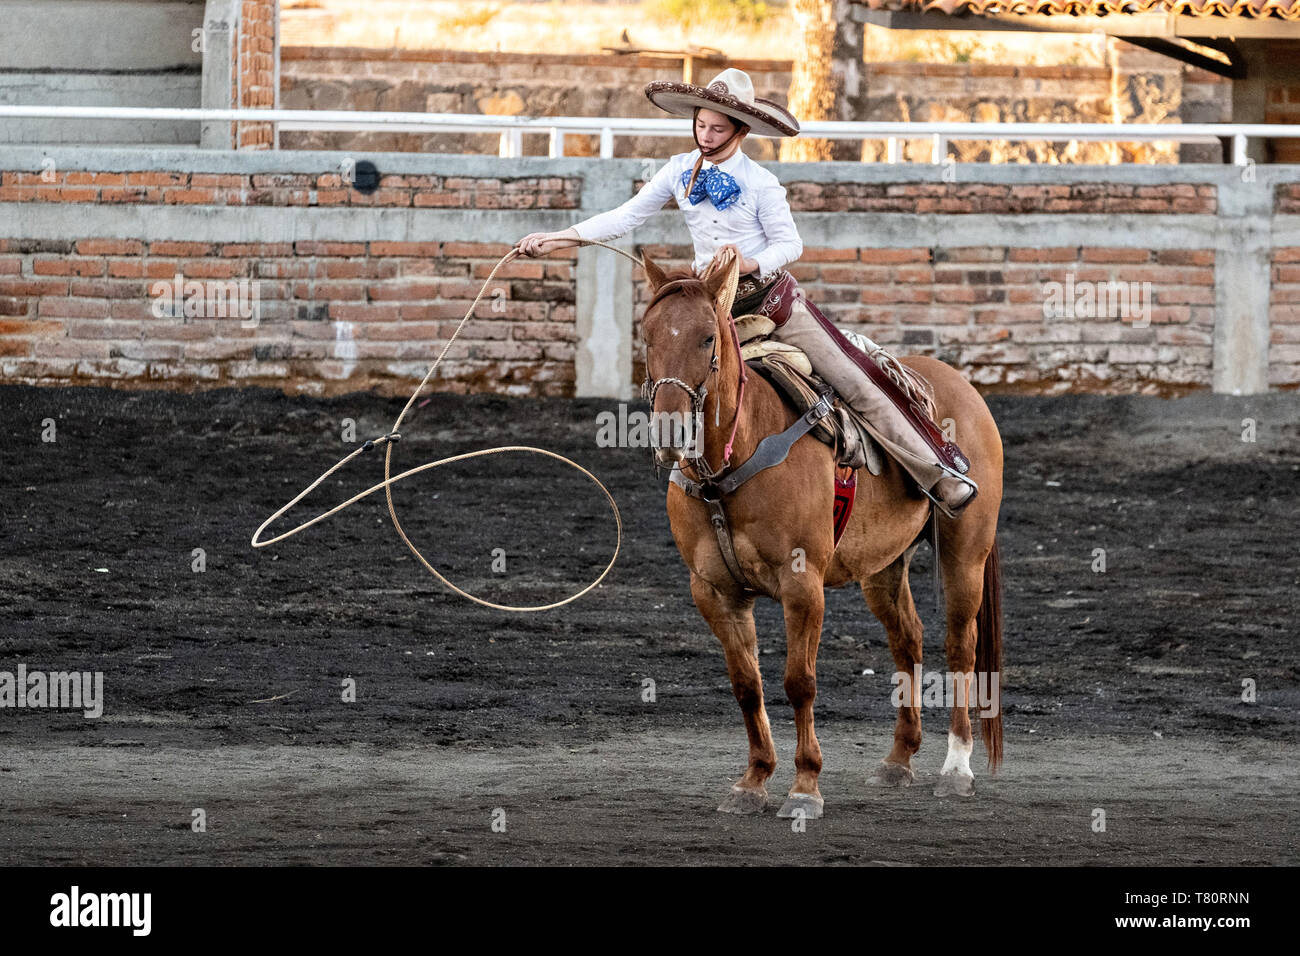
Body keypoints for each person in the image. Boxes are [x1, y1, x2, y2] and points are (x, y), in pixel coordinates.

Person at [516, 68, 977, 517]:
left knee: (854, 380)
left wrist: (750, 261)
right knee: (675, 370)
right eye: (700, 125)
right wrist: (558, 238)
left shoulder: (761, 183)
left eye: (717, 128)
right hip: (710, 307)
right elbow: (625, 216)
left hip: (772, 305)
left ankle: (936, 470)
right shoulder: (678, 172)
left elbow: (790, 245)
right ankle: (687, 466)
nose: (706, 135)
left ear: (739, 131)